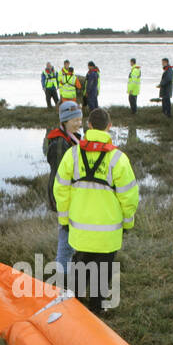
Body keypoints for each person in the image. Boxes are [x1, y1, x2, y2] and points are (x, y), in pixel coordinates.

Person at [53, 107, 140, 315]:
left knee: (79, 271)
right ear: (109, 127)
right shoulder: (119, 159)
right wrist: (127, 224)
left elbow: (60, 191)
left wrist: (64, 221)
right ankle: (97, 312)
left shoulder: (71, 155)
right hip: (108, 235)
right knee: (102, 273)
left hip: (80, 232)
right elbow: (129, 198)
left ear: (89, 125)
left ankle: (73, 312)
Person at [43, 101, 83, 273]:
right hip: (63, 198)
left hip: (70, 197)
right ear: (65, 121)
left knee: (71, 237)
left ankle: (66, 272)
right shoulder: (60, 143)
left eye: (80, 119)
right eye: (74, 120)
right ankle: (61, 277)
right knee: (65, 239)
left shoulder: (72, 138)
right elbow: (62, 176)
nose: (78, 123)